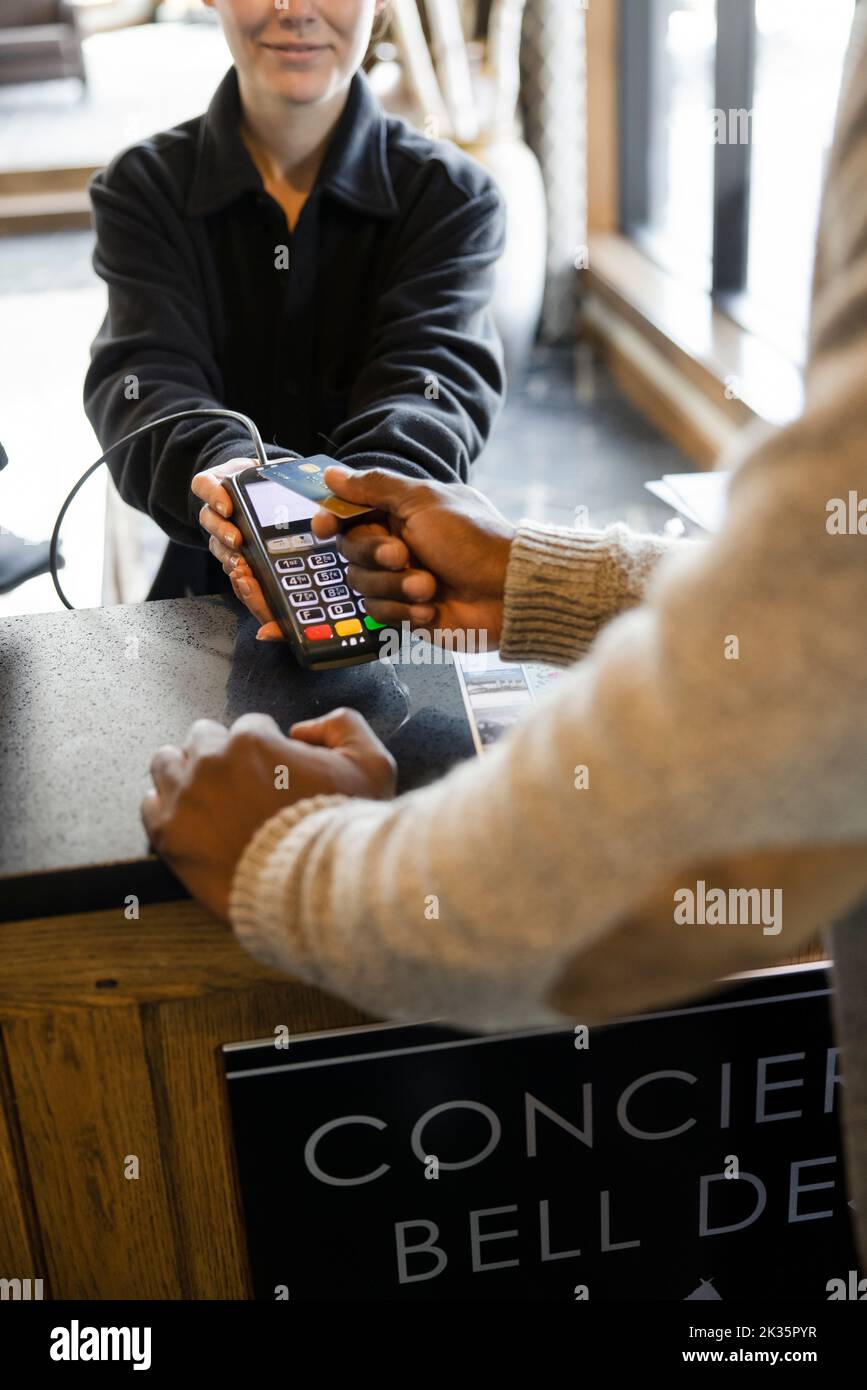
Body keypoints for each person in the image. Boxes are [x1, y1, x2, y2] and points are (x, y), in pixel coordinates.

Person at [141, 6, 867, 1257]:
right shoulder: (147, 183)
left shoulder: (455, 192)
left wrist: (288, 864)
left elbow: (757, 747)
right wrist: (549, 579)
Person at [84, 0, 505, 607]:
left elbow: (434, 381)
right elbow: (143, 379)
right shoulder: (143, 189)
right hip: (209, 580)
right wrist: (238, 480)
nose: (296, 10)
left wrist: (357, 510)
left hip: (391, 574)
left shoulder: (450, 197)